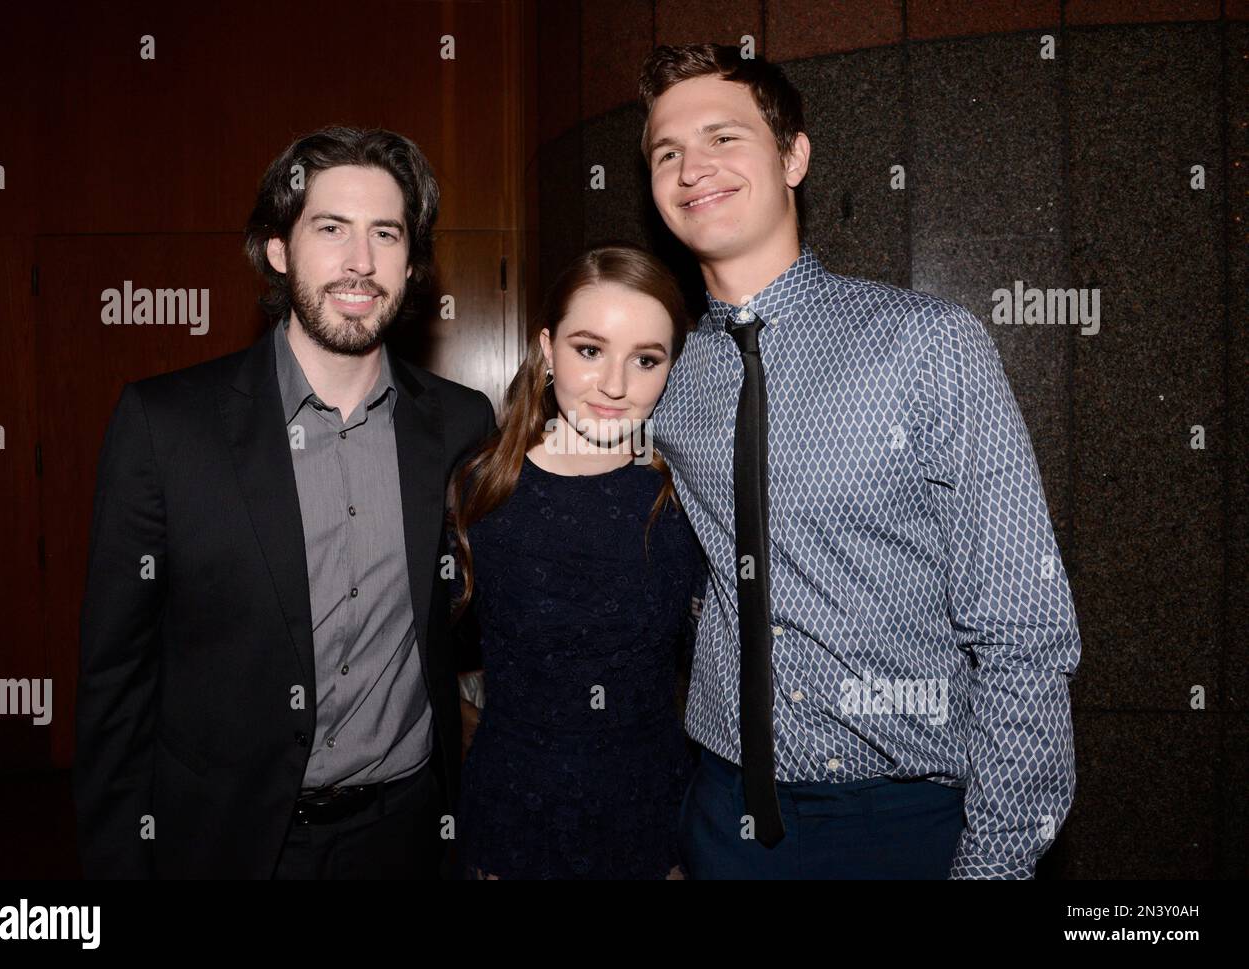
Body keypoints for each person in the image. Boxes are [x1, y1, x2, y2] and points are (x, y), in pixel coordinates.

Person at [638, 44, 1082, 879]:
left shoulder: (927, 345)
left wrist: (993, 862)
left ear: (794, 157)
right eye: (668, 153)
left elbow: (1023, 632)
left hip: (903, 819)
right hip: (722, 808)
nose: (693, 168)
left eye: (724, 138)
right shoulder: (666, 377)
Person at [72, 126, 497, 878]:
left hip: (404, 837)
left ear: (411, 262)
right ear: (278, 249)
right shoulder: (164, 426)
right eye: (330, 229)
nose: (360, 261)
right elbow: (116, 681)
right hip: (228, 841)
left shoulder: (462, 425)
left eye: (386, 233)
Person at [446, 244, 708, 879]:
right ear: (547, 348)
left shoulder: (688, 494)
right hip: (512, 818)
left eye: (646, 359)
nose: (615, 385)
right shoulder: (482, 487)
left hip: (651, 817)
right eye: (589, 350)